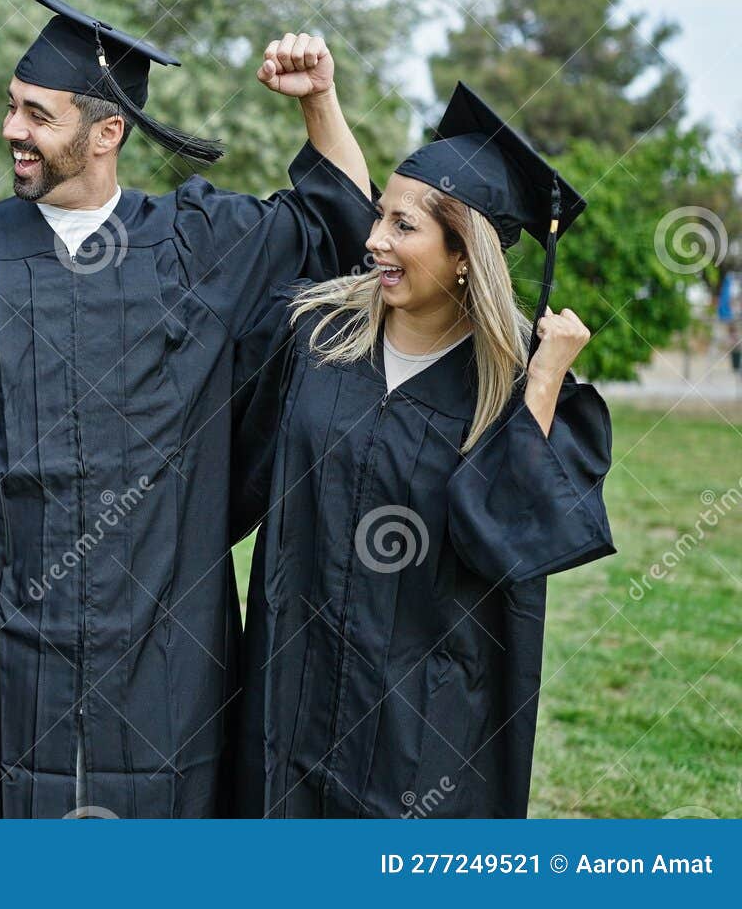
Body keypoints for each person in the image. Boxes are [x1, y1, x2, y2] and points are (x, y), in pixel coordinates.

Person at [0, 0, 378, 818]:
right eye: (12, 107)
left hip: (175, 634)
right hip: (31, 629)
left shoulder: (197, 242)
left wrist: (320, 103)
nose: (12, 129)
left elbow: (337, 226)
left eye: (36, 115)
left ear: (106, 133)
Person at [232, 83, 616, 818]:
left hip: (428, 727)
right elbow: (228, 478)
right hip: (290, 698)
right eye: (379, 215)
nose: (374, 237)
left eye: (401, 224)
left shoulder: (517, 395)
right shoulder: (315, 343)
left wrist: (539, 383)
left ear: (464, 253)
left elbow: (505, 535)